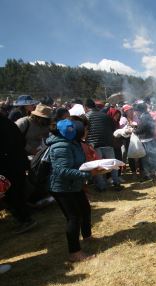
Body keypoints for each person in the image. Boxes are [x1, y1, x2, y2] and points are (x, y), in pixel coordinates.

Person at [46, 119, 98, 262]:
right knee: (73, 217)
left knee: (85, 209)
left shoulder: (74, 142)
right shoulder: (61, 146)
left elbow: (78, 163)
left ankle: (87, 237)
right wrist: (87, 174)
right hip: (61, 187)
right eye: (85, 130)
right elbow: (61, 170)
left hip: (74, 184)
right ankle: (74, 252)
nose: (87, 132)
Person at [0, 114, 37, 233]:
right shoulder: (7, 122)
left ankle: (25, 220)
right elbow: (21, 140)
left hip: (7, 166)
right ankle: (26, 214)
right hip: (18, 161)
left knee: (11, 194)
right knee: (18, 189)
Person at [84, 98, 122, 191]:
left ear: (85, 107)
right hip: (108, 143)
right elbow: (113, 128)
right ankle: (116, 183)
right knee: (112, 164)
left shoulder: (85, 117)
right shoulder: (104, 115)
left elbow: (84, 131)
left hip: (93, 145)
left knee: (98, 166)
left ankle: (102, 186)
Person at [134, 102, 156, 180]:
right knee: (150, 158)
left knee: (146, 159)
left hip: (146, 140)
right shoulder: (147, 116)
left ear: (139, 111)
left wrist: (134, 131)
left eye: (136, 111)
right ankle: (152, 173)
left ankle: (148, 175)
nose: (135, 113)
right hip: (149, 139)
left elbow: (142, 129)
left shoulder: (144, 117)